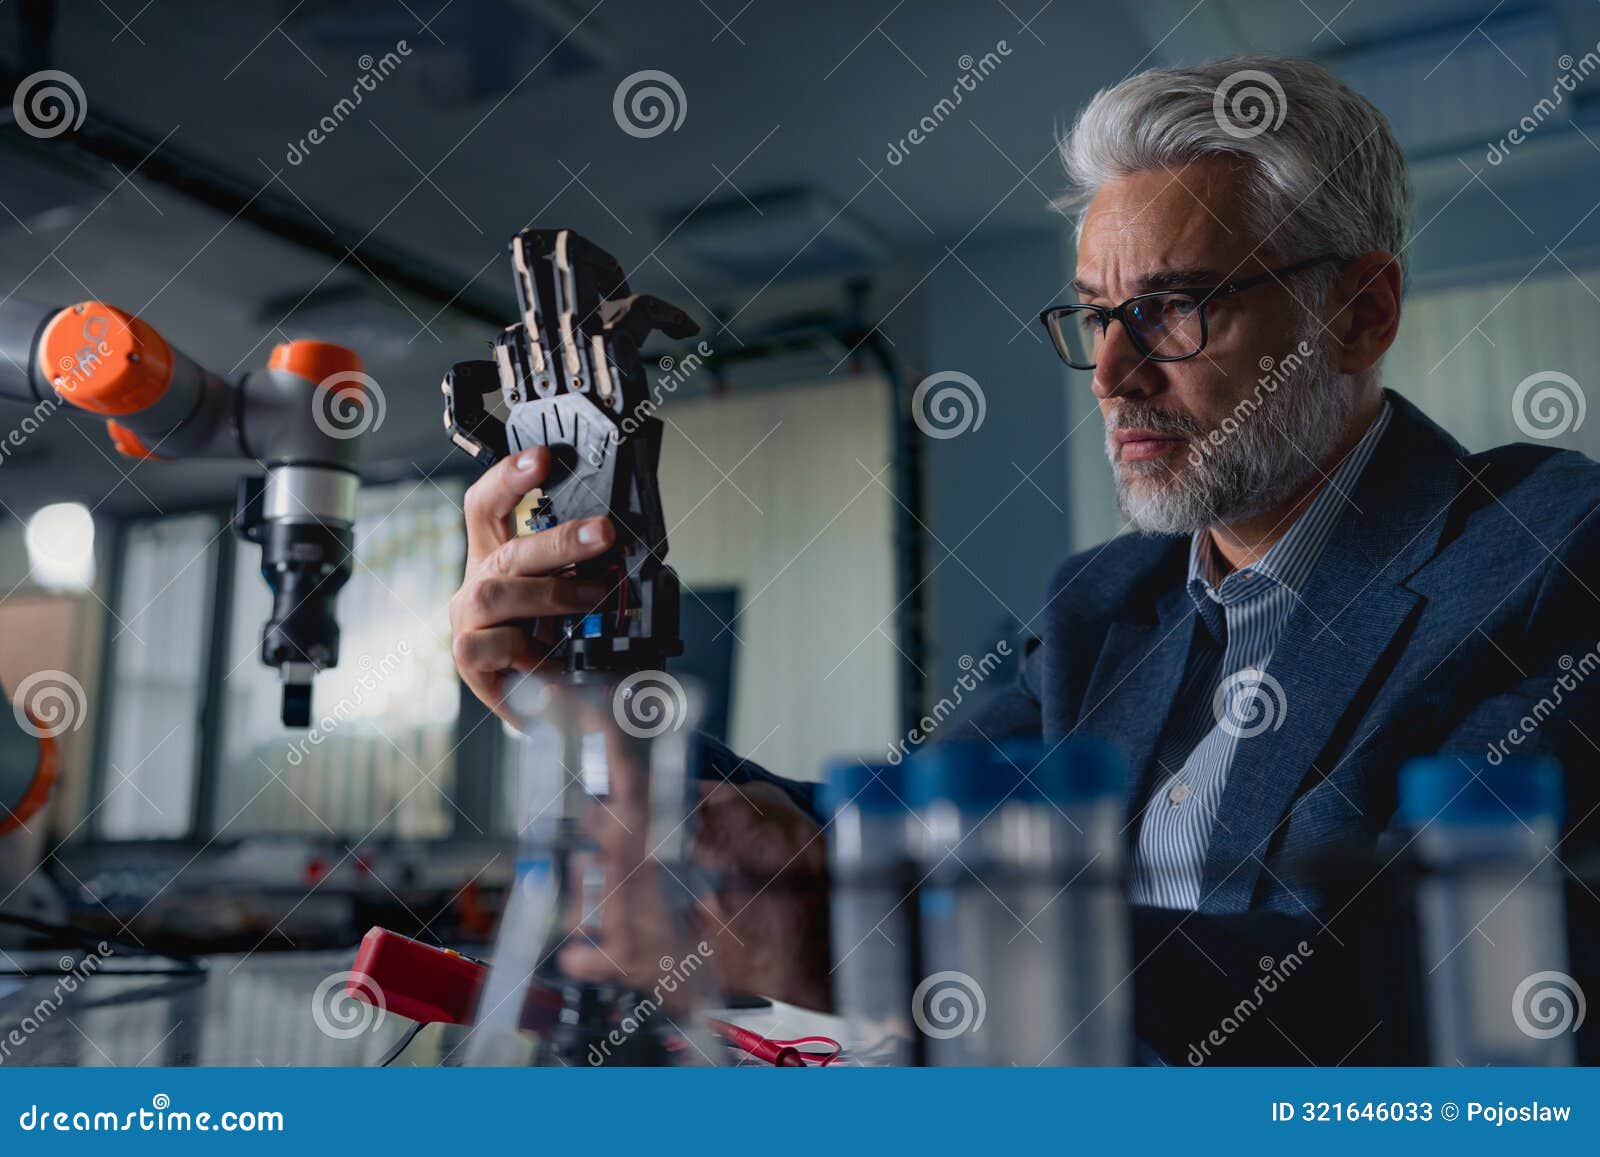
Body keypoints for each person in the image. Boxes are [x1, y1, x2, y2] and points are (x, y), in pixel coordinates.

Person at [448, 55, 1600, 1062]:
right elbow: (858, 839)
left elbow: (1428, 996)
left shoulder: (1553, 554)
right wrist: (580, 701)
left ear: (1358, 312)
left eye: (1175, 309)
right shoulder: (1102, 603)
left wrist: (863, 944)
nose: (1111, 373)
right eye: (1096, 314)